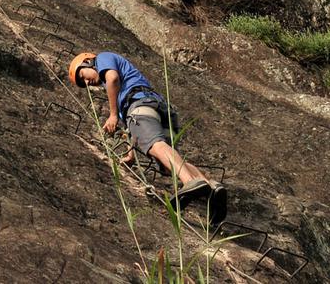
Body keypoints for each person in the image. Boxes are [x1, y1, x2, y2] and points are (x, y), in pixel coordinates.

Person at [68, 51, 227, 224]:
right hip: (157, 108)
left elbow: (113, 79)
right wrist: (131, 154)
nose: (86, 82)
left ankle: (189, 182)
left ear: (88, 61)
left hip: (140, 105)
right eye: (82, 83)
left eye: (82, 75)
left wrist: (113, 114)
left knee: (156, 146)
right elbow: (135, 128)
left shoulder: (102, 59)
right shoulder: (123, 84)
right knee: (167, 164)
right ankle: (210, 185)